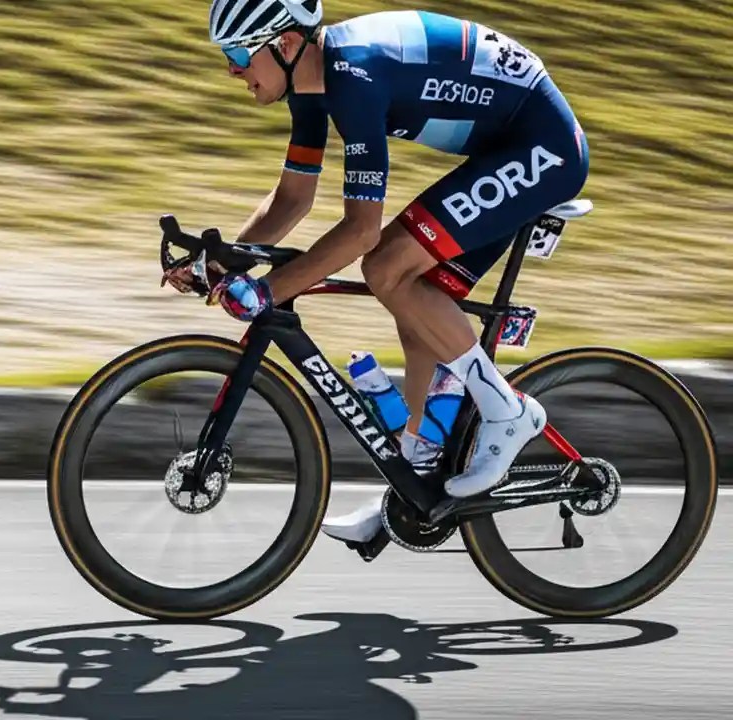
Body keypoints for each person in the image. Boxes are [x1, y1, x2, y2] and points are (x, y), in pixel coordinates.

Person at [170, 1, 589, 545]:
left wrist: (267, 290)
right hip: (505, 146)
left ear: (288, 45)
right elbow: (293, 199)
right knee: (415, 297)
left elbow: (360, 232)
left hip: (543, 147)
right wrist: (220, 261)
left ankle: (507, 411)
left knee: (386, 266)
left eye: (237, 52)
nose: (231, 68)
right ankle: (416, 479)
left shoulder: (354, 77)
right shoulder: (313, 85)